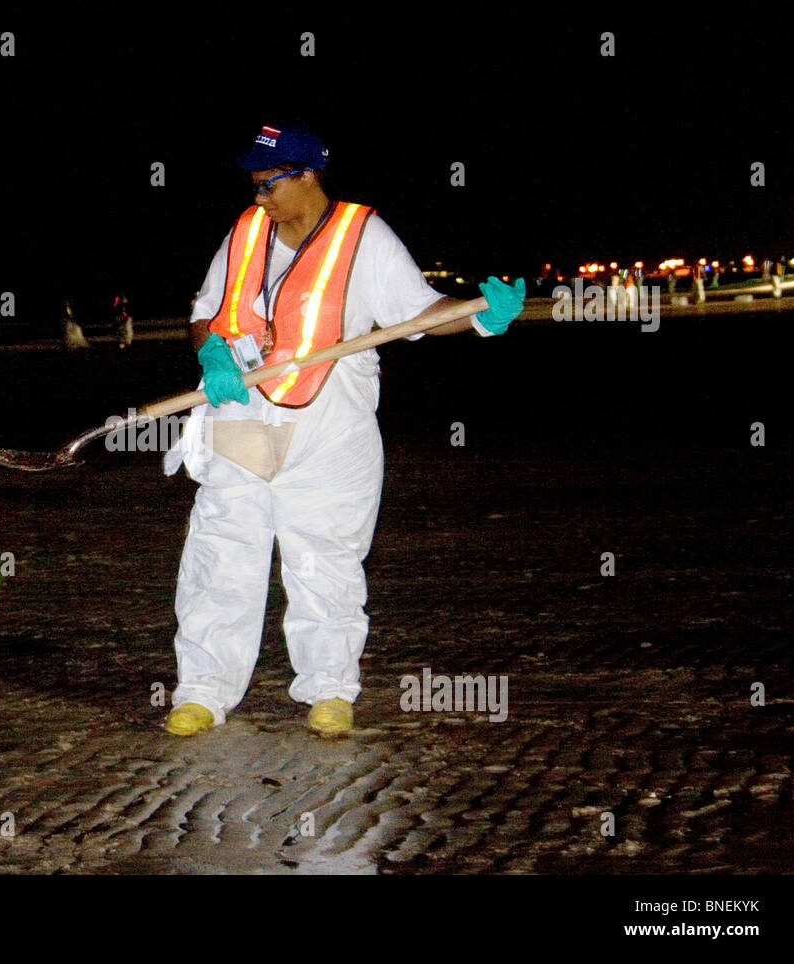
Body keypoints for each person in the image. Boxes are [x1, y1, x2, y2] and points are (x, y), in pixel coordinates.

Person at [162, 123, 524, 737]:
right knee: (222, 554)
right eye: (253, 185)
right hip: (243, 417)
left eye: (269, 183)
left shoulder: (364, 237)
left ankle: (329, 688)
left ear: (309, 175)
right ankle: (201, 689)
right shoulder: (245, 232)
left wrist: (482, 318)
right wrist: (213, 354)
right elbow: (204, 315)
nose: (259, 199)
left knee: (323, 557)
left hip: (330, 425)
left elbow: (419, 314)